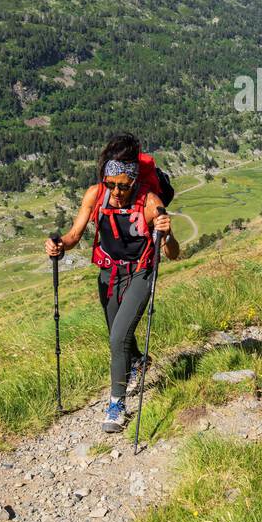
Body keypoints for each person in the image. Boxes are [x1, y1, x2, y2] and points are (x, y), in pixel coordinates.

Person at [45, 134, 179, 433]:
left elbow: (174, 254)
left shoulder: (150, 202)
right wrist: (58, 244)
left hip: (141, 273)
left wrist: (166, 233)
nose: (117, 191)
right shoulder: (95, 195)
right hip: (108, 275)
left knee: (118, 338)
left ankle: (116, 405)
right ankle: (139, 362)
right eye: (111, 184)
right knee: (118, 335)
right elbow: (74, 236)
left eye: (123, 185)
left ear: (134, 181)